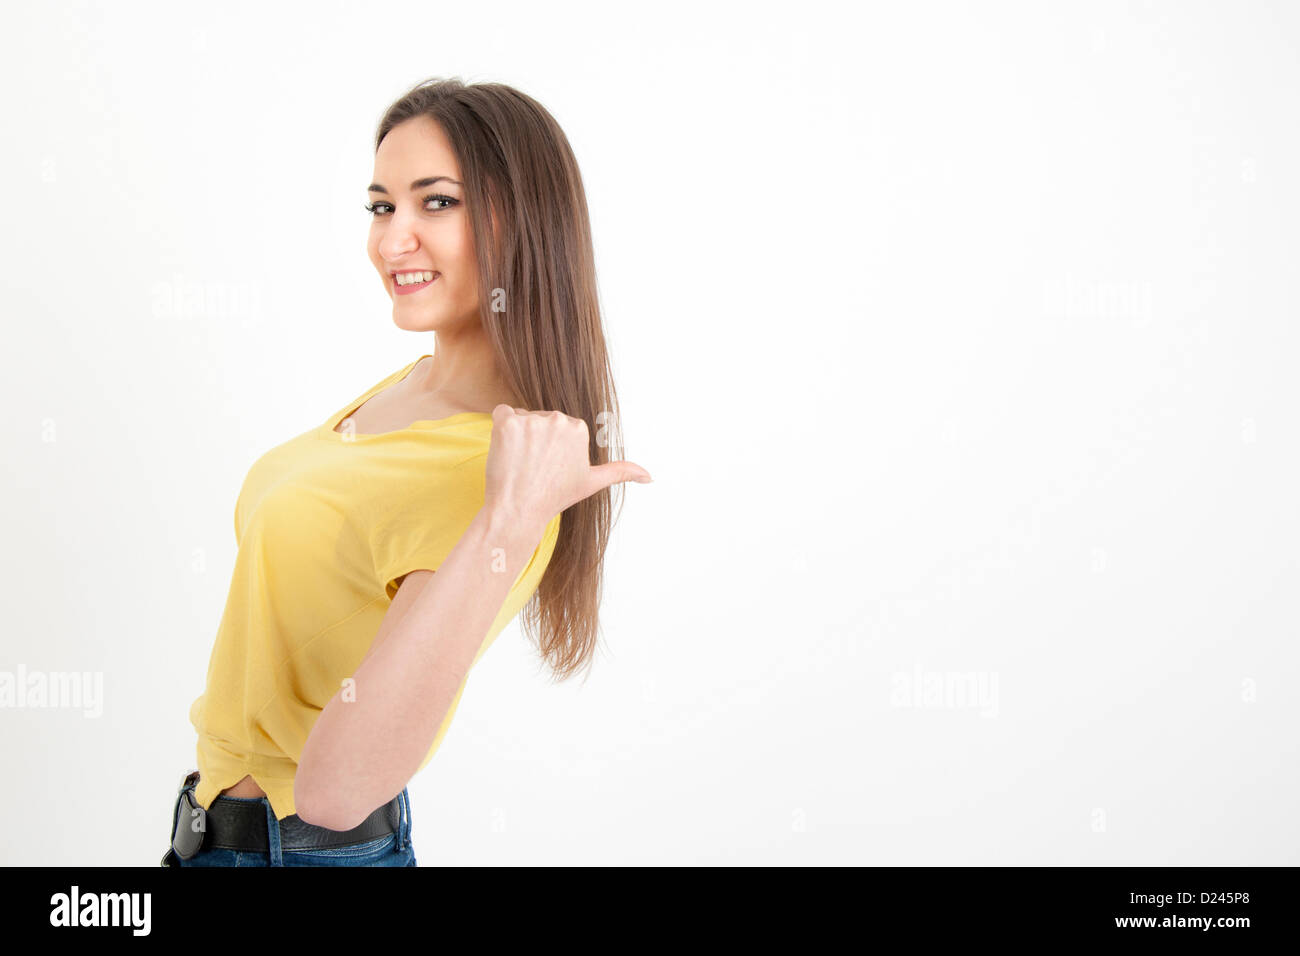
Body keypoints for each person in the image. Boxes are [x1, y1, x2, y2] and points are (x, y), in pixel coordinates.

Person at [162, 77, 651, 867]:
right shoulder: (409, 388)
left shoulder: (499, 481)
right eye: (382, 206)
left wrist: (510, 519)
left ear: (523, 220)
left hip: (303, 852)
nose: (392, 240)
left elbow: (334, 793)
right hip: (216, 834)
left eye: (437, 203)